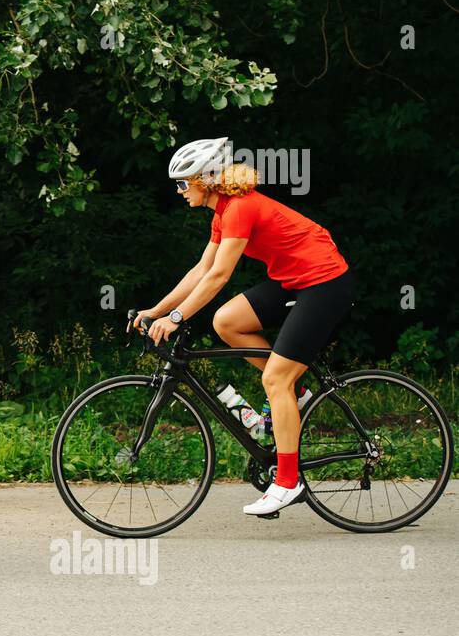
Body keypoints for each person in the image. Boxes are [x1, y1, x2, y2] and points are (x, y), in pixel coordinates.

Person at [132, 138, 354, 516]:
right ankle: (295, 389)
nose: (180, 191)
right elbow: (200, 270)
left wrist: (175, 319)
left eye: (183, 183)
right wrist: (158, 309)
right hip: (295, 280)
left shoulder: (239, 209)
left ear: (205, 179)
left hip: (325, 283)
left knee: (274, 382)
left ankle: (288, 482)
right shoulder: (223, 212)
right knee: (227, 321)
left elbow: (219, 275)